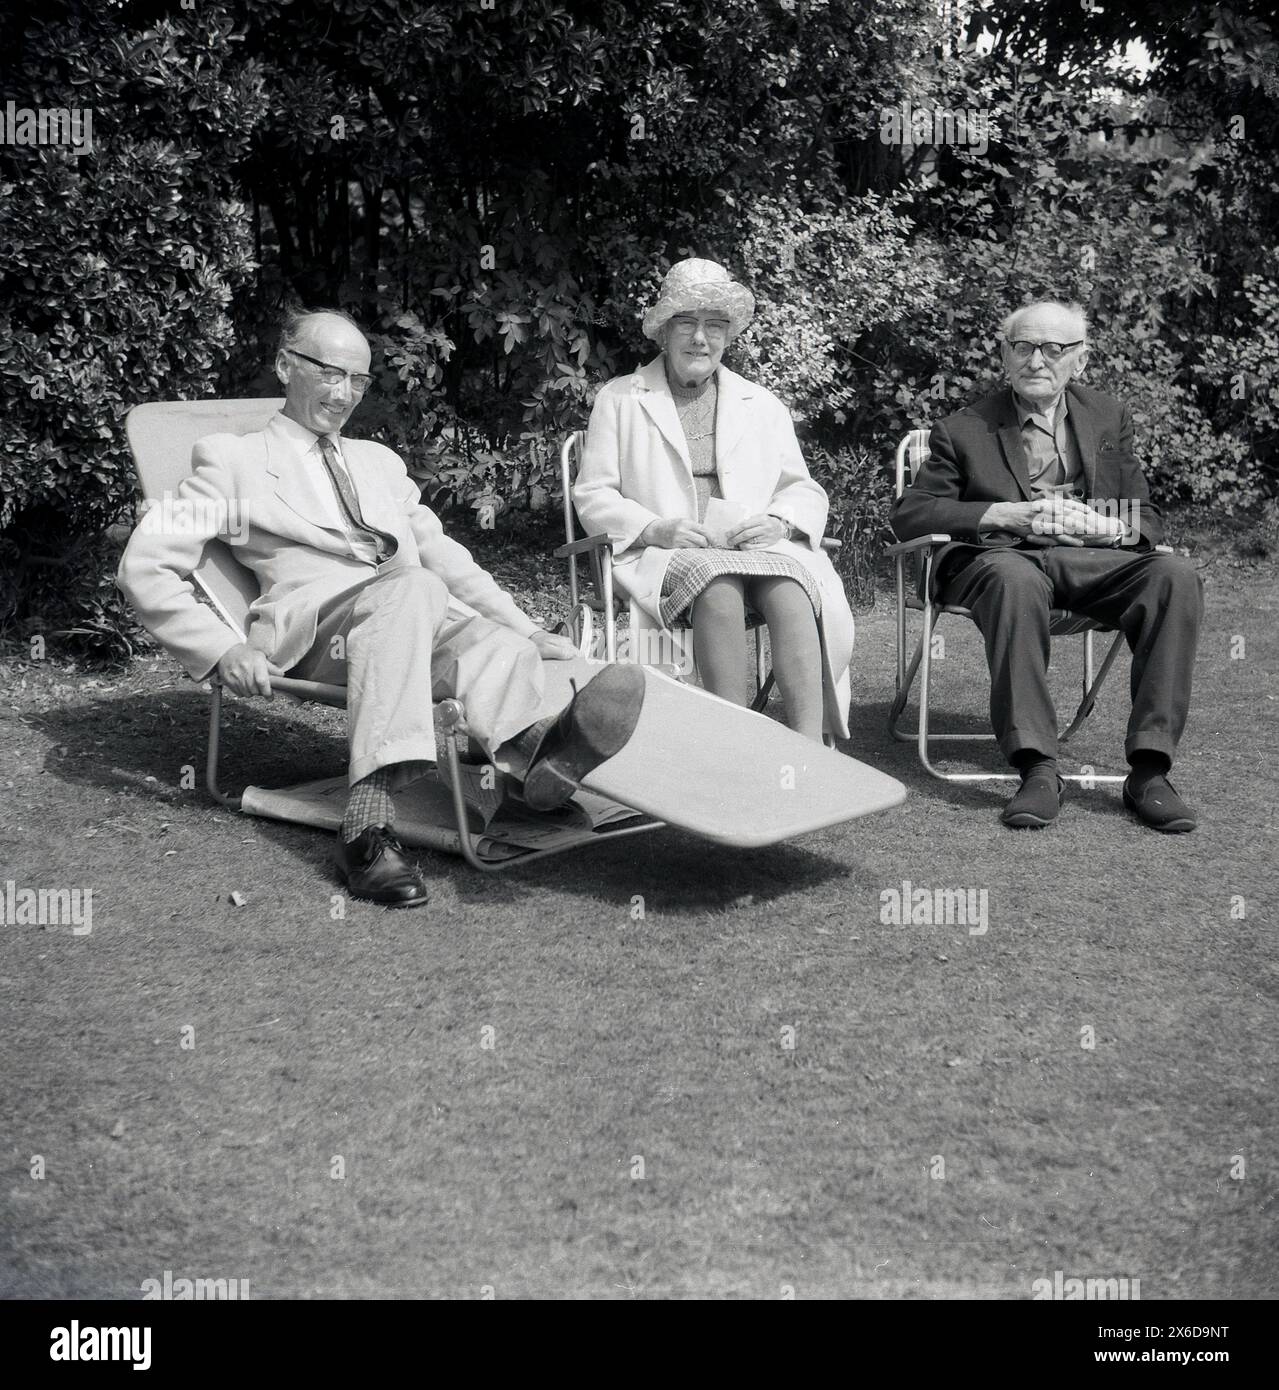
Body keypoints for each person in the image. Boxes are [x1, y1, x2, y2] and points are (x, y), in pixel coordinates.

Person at [118, 308, 647, 908]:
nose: (345, 395)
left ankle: (530, 761)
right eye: (329, 373)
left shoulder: (380, 462)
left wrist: (525, 628)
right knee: (415, 587)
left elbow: (443, 555)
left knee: (488, 640)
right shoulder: (229, 460)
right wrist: (220, 649)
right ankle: (365, 828)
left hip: (410, 620)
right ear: (286, 365)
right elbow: (145, 565)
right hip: (320, 635)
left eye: (359, 381)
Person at [891, 299, 1203, 831]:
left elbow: (1146, 514)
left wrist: (1111, 528)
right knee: (1014, 579)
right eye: (1024, 346)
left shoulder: (1109, 416)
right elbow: (913, 513)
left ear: (1079, 360)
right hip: (999, 560)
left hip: (1090, 558)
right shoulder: (963, 428)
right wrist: (1004, 513)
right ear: (1006, 356)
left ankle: (1149, 772)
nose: (1038, 360)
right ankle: (1038, 767)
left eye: (1054, 349)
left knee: (1175, 576)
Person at [572, 258, 855, 742]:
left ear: (728, 336)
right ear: (663, 332)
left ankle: (810, 750)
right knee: (718, 584)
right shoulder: (620, 399)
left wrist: (781, 523)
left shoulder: (761, 403)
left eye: (715, 325)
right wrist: (655, 528)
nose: (700, 338)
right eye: (687, 323)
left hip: (754, 548)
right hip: (667, 552)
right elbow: (593, 492)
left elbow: (801, 487)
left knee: (792, 590)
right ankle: (735, 743)